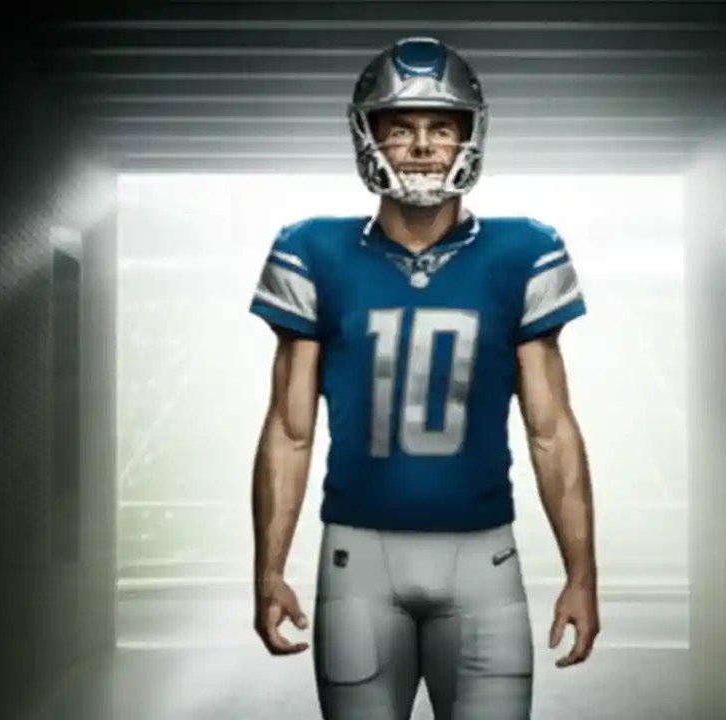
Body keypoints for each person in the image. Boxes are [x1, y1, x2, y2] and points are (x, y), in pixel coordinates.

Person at [249, 36, 599, 719]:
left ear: (470, 136)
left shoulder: (526, 250)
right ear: (367, 136)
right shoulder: (309, 249)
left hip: (484, 559)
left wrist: (583, 574)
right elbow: (290, 433)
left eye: (441, 127)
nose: (420, 146)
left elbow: (551, 432)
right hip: (357, 558)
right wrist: (267, 568)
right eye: (399, 128)